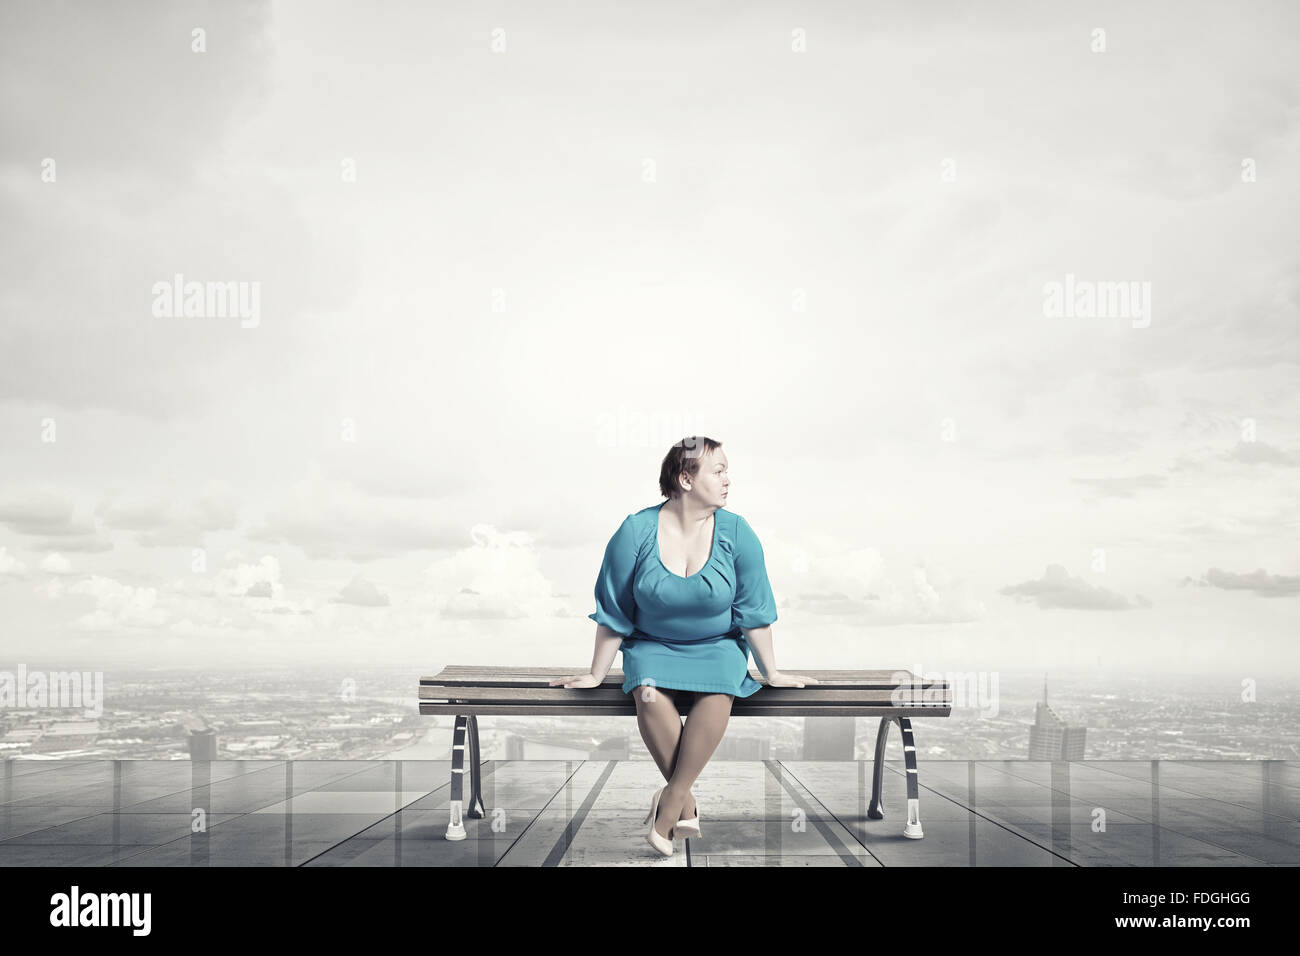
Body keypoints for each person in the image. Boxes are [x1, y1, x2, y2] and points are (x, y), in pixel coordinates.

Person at [549, 436, 816, 857]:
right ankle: (684, 801)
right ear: (685, 478)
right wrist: (597, 673)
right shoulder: (635, 531)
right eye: (719, 470)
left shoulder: (737, 532)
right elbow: (614, 609)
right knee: (648, 692)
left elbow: (754, 611)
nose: (728, 479)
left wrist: (772, 672)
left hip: (717, 648)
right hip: (653, 646)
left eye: (727, 470)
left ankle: (670, 800)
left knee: (719, 690)